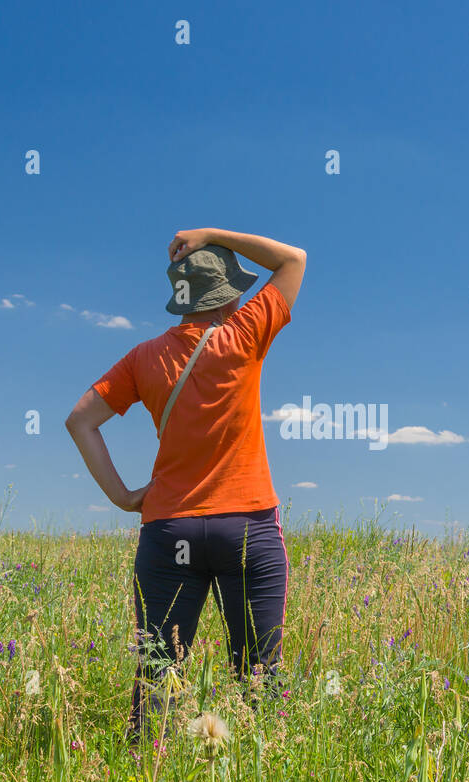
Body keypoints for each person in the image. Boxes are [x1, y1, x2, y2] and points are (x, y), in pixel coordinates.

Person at [66, 228, 306, 738]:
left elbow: (80, 420)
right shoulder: (245, 333)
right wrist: (214, 234)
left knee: (157, 678)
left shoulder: (143, 357)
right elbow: (293, 260)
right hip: (247, 527)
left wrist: (125, 497)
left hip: (170, 529)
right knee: (261, 680)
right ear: (227, 296)